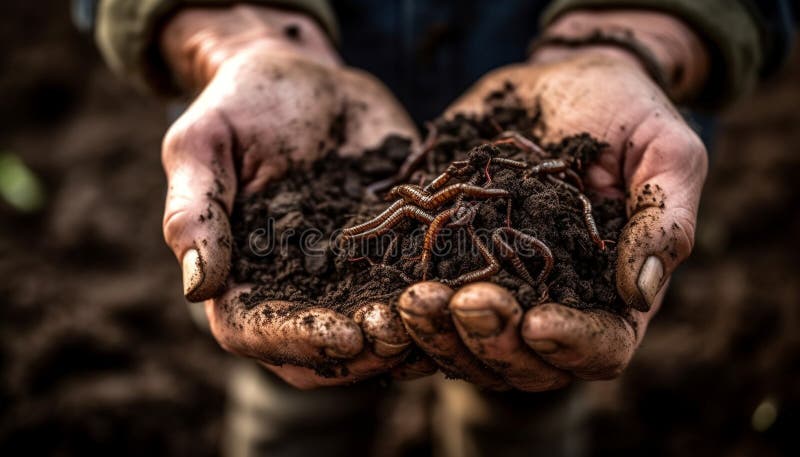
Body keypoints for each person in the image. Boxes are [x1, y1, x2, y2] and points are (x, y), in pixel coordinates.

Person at [75, 1, 795, 455]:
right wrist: (242, 31)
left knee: (530, 381)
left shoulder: (533, 199)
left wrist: (631, 32)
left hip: (571, 121)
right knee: (294, 383)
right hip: (300, 133)